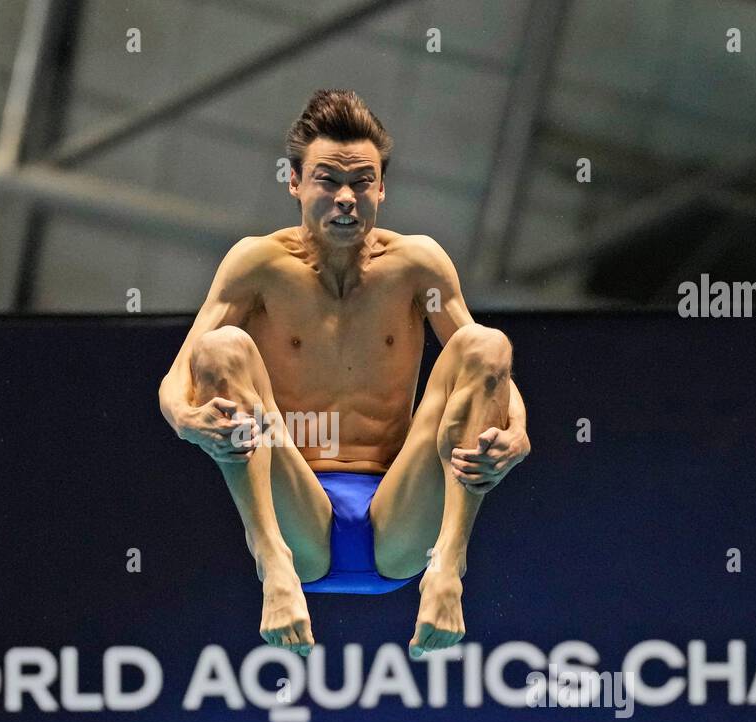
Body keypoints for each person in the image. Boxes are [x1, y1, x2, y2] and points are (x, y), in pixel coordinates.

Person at [158, 89, 530, 659]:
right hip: (296, 511)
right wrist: (188, 419)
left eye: (362, 182)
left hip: (398, 517)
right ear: (295, 183)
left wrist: (518, 435)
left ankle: (449, 568)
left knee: (485, 343)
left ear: (382, 186)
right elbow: (178, 379)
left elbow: (493, 375)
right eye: (328, 180)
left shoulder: (416, 265)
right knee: (221, 347)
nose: (346, 198)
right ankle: (272, 568)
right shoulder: (257, 265)